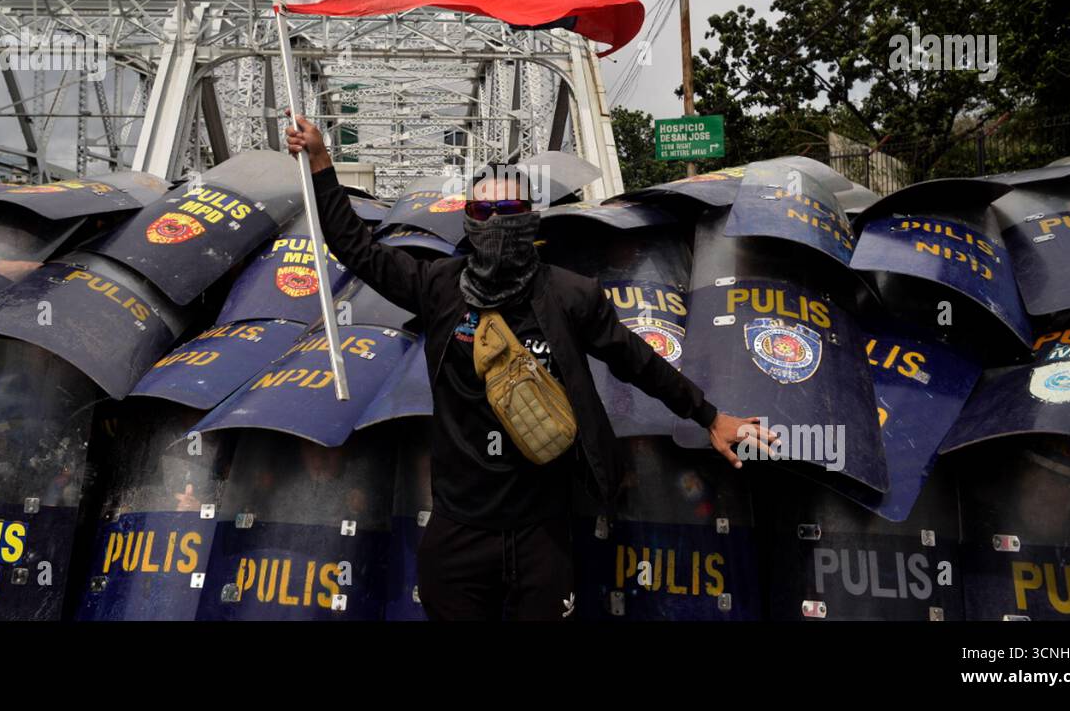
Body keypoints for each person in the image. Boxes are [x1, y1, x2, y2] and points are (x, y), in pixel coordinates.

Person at [286, 112, 774, 621]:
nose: (496, 220)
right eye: (483, 209)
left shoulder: (569, 295)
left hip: (540, 530)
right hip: (458, 529)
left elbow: (637, 361)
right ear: (469, 220)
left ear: (530, 217)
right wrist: (322, 162)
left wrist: (710, 416)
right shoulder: (438, 287)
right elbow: (356, 247)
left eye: (510, 207)